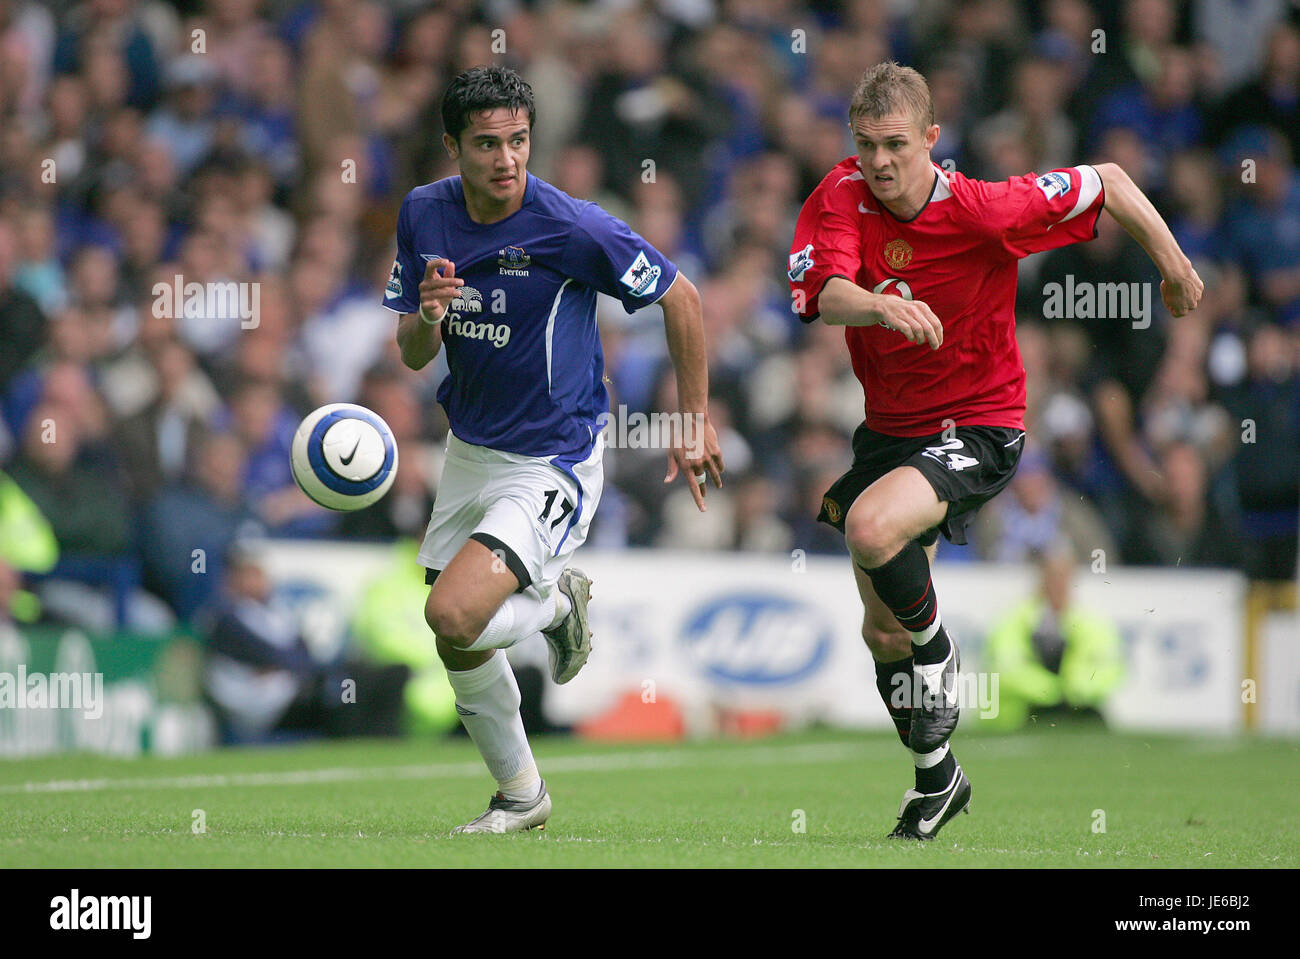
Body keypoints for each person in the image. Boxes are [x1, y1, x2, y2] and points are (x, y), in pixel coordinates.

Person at [787, 61, 1203, 840]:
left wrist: (1174, 265)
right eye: (867, 144)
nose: (879, 161)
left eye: (896, 145)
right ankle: (937, 778)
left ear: (932, 140)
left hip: (980, 423)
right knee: (880, 631)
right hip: (890, 430)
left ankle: (940, 653)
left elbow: (1107, 178)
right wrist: (878, 305)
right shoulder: (840, 194)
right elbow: (823, 294)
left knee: (872, 530)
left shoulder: (983, 209)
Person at [385, 66, 724, 834]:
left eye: (518, 140)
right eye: (486, 144)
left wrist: (692, 419)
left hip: (555, 454)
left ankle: (553, 605)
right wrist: (426, 316)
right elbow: (411, 353)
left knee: (453, 611)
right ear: (452, 146)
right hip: (469, 449)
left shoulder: (571, 226)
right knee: (458, 640)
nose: (506, 158)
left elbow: (682, 296)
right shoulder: (422, 213)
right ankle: (520, 795)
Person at [983, 546, 1126, 731]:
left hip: (1076, 708)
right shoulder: (1012, 621)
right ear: (1041, 579)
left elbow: (1110, 668)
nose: (1058, 583)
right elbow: (1005, 669)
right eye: (1052, 576)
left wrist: (1074, 689)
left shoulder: (1092, 625)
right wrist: (1053, 691)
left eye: (1063, 576)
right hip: (1021, 714)